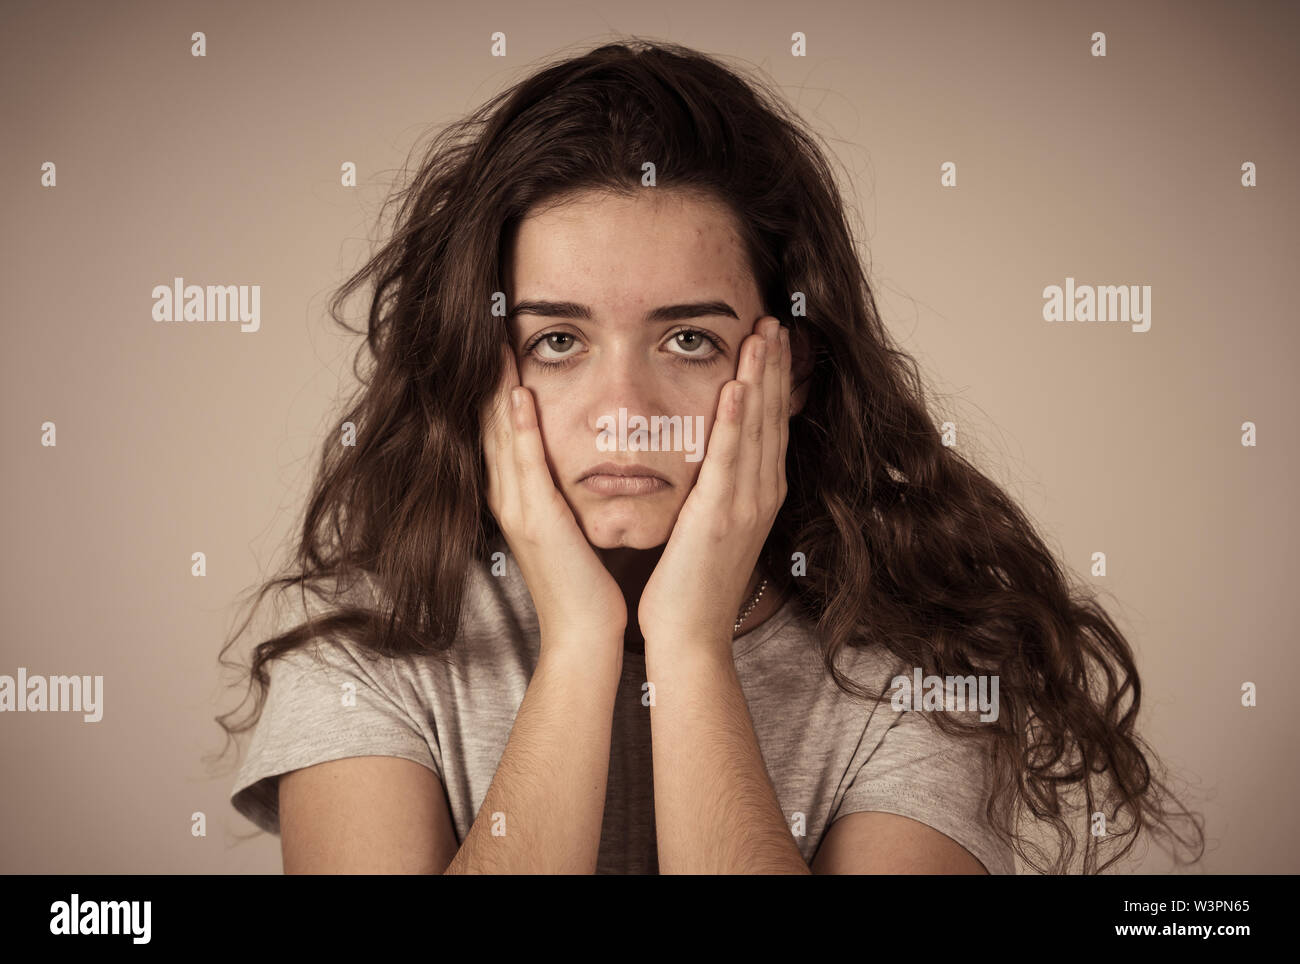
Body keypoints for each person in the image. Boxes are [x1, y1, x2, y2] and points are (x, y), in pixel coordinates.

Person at [215, 39, 1205, 874]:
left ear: (794, 371)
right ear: (483, 367)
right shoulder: (362, 658)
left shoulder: (924, 672)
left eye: (687, 339)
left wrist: (687, 647)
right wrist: (579, 648)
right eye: (557, 341)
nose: (625, 409)